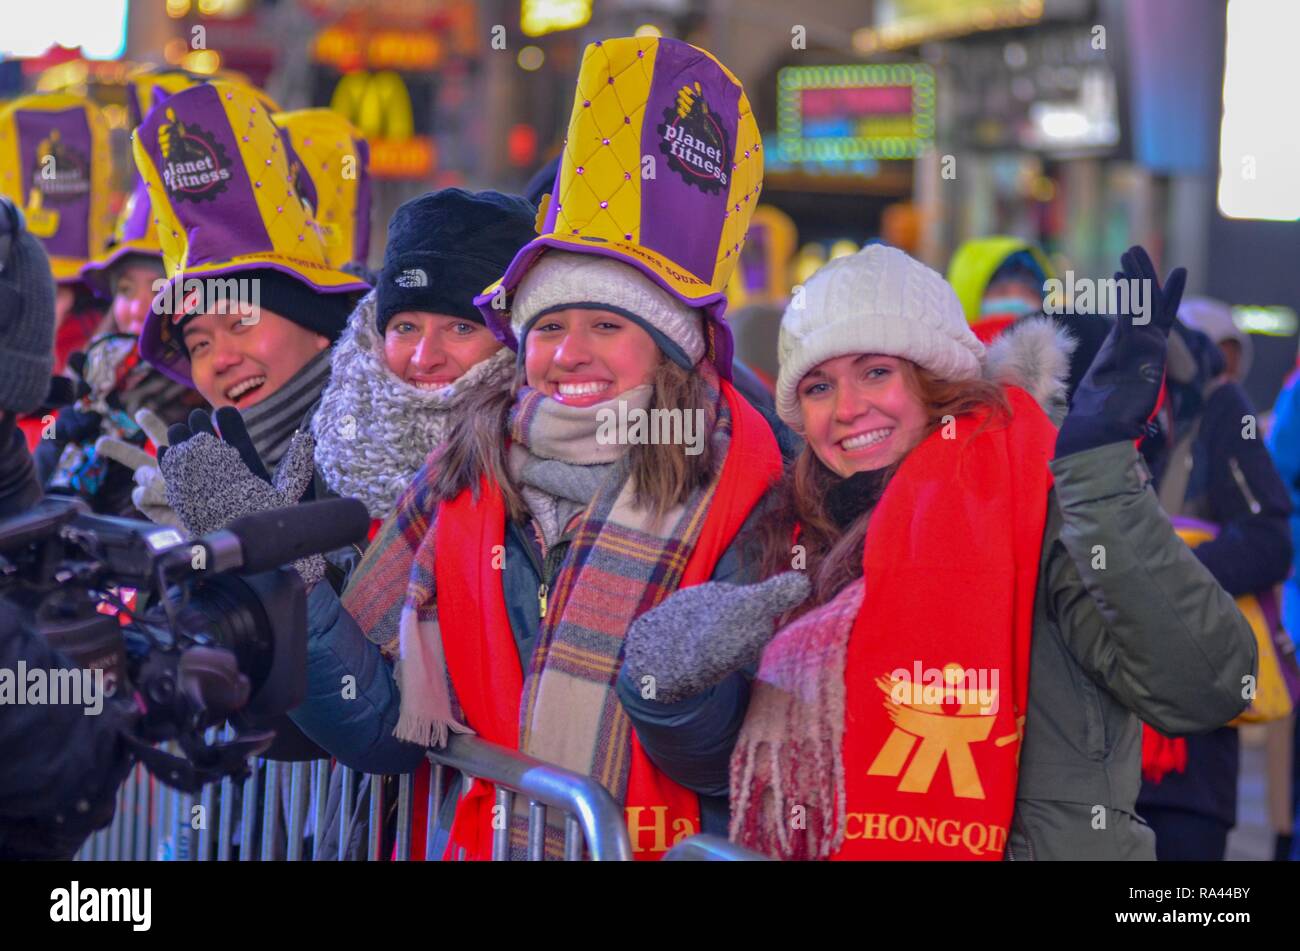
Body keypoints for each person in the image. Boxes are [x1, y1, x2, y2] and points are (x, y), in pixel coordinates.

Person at [280, 35, 776, 860]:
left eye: (606, 326)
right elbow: (377, 728)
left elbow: (740, 770)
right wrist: (284, 580)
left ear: (672, 347)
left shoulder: (747, 482)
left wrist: (674, 692)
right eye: (547, 326)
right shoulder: (468, 472)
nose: (567, 353)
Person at [620, 243, 1257, 860]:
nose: (847, 409)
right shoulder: (789, 535)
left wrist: (1101, 474)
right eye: (817, 388)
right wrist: (673, 697)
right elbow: (735, 780)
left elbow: (1208, 683)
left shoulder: (1041, 509)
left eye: (875, 372)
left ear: (937, 382)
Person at [1135, 309, 1292, 860]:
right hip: (1088, 756)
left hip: (1189, 756)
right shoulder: (1093, 404)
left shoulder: (1219, 408)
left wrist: (1169, 575)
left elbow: (1271, 540)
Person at [312, 188, 536, 525]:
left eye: (461, 328)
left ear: (515, 338)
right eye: (405, 327)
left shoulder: (544, 470)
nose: (424, 358)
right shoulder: (329, 444)